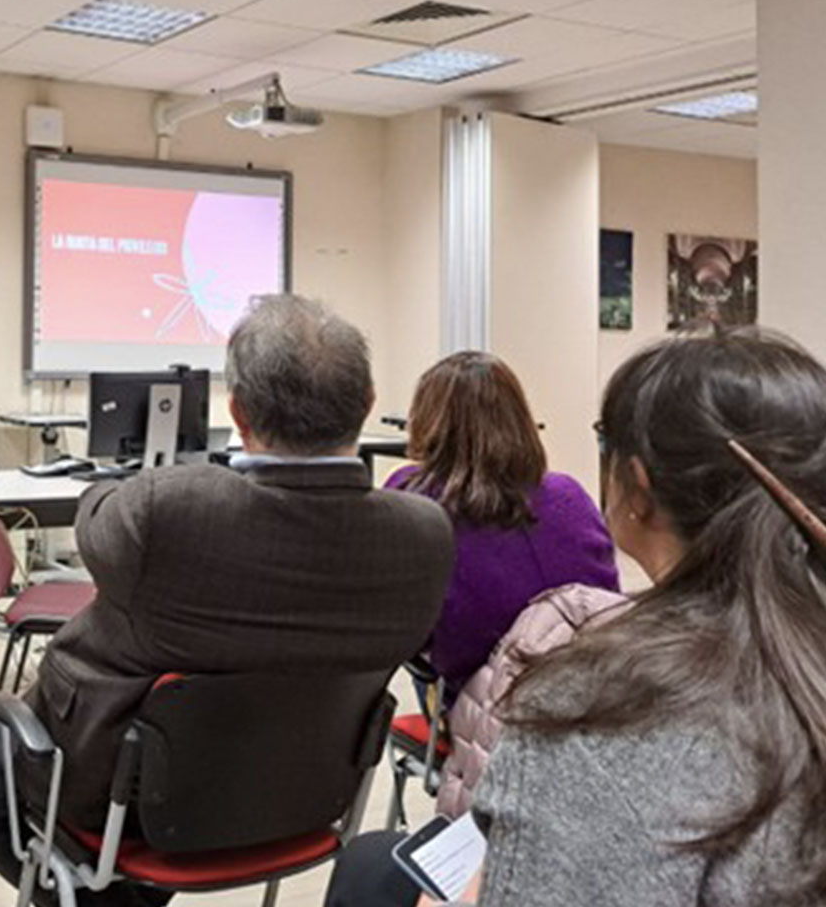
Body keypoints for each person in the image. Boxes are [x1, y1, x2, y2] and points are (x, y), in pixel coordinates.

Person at [0, 294, 456, 888]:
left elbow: (94, 516)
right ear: (366, 405)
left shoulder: (168, 510)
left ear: (237, 414)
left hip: (123, 793)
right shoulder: (423, 533)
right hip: (301, 796)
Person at [326, 327, 826, 907]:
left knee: (370, 864)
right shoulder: (564, 498)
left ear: (636, 487)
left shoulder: (582, 714)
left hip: (469, 703)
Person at [385, 351, 618, 704]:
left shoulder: (409, 496)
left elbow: (396, 616)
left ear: (426, 421)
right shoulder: (569, 494)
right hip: (587, 697)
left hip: (476, 706)